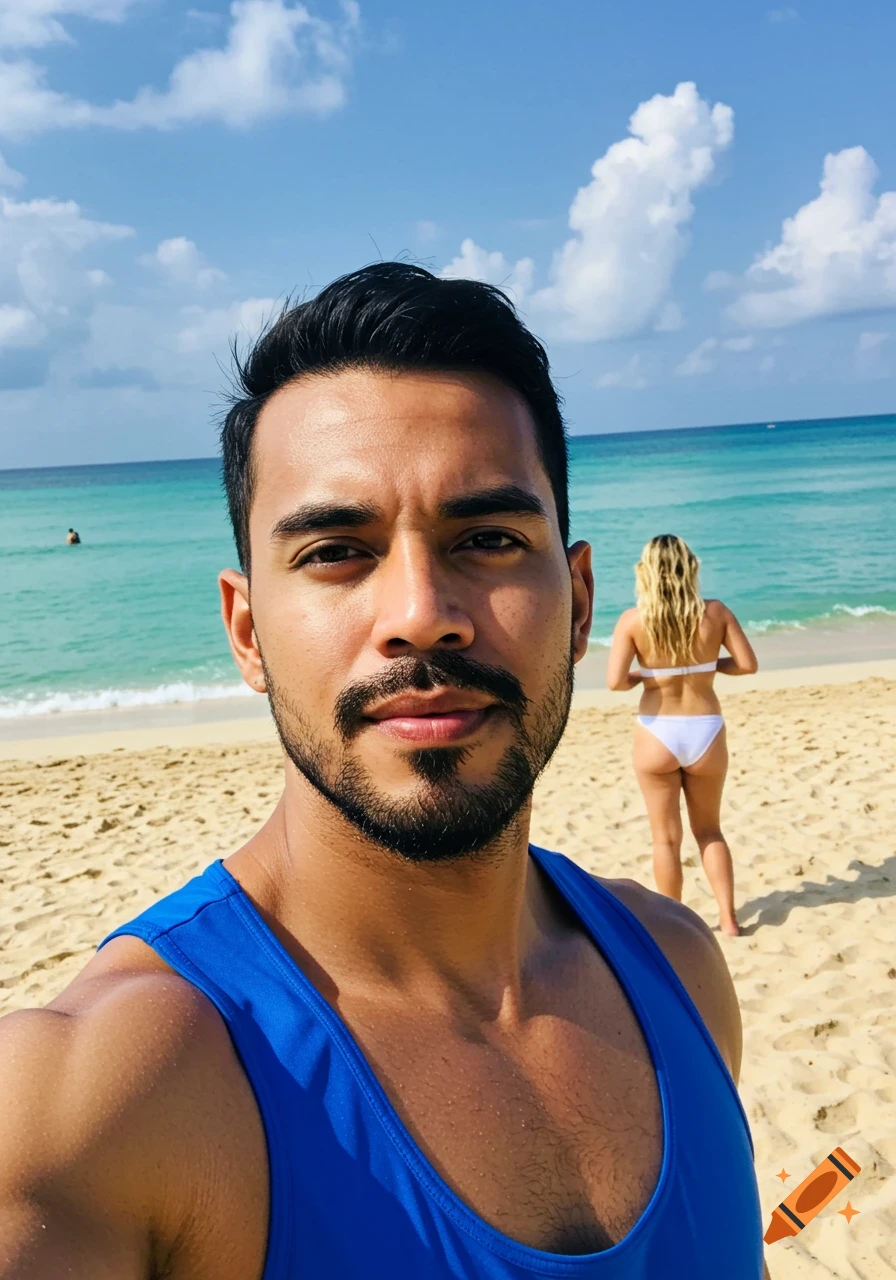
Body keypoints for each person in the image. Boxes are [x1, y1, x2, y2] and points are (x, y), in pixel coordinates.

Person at [0, 266, 767, 1279]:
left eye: (488, 538)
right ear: (246, 630)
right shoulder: (97, 1103)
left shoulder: (680, 969)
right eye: (334, 550)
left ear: (579, 604)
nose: (420, 609)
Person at [606, 535, 759, 938]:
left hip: (658, 731)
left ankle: (673, 926)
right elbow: (747, 665)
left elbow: (616, 682)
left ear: (645, 572)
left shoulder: (633, 621)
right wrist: (707, 667)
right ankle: (728, 920)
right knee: (710, 831)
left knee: (665, 840)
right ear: (690, 567)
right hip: (705, 728)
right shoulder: (716, 613)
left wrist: (649, 675)